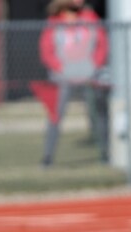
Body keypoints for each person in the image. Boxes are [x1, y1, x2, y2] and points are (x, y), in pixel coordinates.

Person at [38, 0, 109, 167]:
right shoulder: (54, 22)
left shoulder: (90, 17)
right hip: (62, 77)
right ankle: (47, 157)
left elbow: (102, 45)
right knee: (55, 116)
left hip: (89, 75)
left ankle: (105, 153)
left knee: (98, 115)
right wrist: (60, 67)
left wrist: (93, 66)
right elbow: (46, 50)